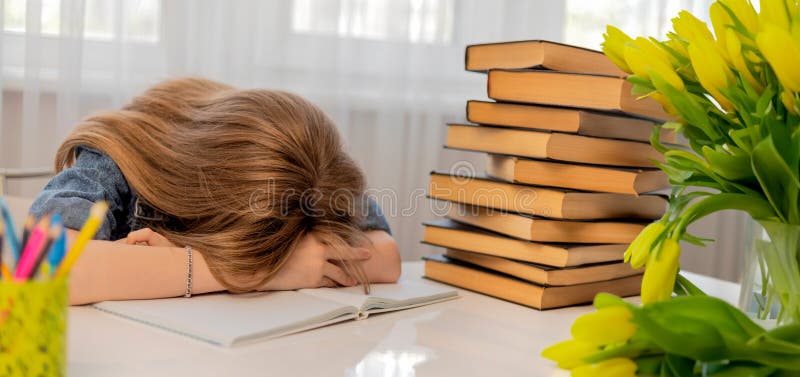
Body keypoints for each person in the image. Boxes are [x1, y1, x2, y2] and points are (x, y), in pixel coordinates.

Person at [29, 77, 401, 305]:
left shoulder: (307, 169)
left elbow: (385, 255)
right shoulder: (117, 162)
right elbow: (42, 266)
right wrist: (257, 271)